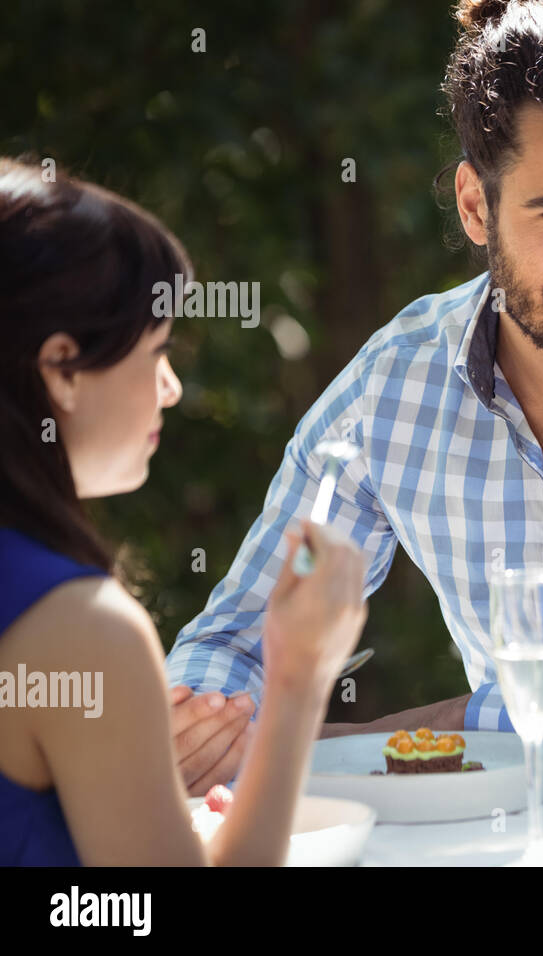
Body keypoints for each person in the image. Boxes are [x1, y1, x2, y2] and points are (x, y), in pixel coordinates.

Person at [165, 0, 543, 784]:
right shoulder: (397, 383)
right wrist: (203, 723)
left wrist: (448, 725)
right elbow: (238, 641)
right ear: (477, 206)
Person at [0, 158, 367, 865]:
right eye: (156, 351)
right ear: (63, 370)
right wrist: (297, 680)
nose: (169, 388)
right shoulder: (82, 630)